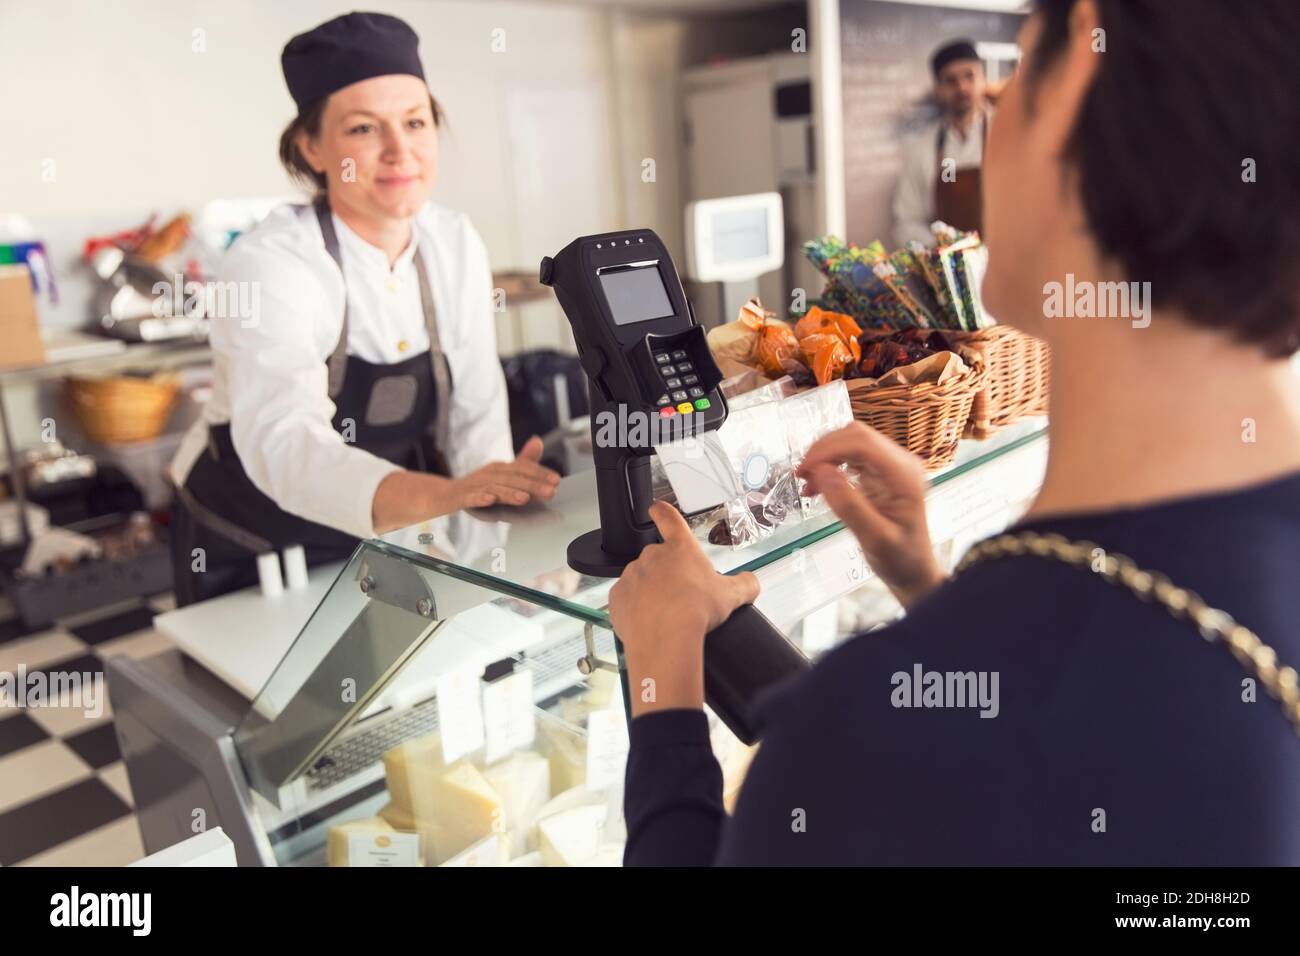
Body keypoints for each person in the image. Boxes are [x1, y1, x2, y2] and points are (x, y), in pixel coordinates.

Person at [613, 0, 1300, 865]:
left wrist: (663, 680)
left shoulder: (856, 745)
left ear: (1076, 80)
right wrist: (937, 600)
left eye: (1013, 72)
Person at [169, 12, 558, 606]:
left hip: (396, 523)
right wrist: (441, 498)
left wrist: (498, 555)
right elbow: (287, 441)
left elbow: (476, 415)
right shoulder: (270, 262)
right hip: (256, 544)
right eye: (363, 129)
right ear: (312, 148)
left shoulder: (453, 243)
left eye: (415, 121)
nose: (400, 151)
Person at [892, 38, 993, 246]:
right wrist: (947, 250)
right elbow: (906, 222)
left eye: (969, 76)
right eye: (951, 80)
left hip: (1004, 263)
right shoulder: (921, 149)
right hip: (947, 270)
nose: (962, 87)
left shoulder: (1009, 134)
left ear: (984, 78)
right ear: (938, 88)